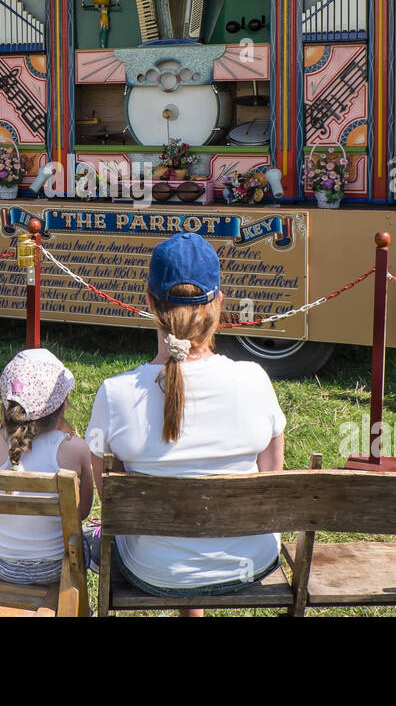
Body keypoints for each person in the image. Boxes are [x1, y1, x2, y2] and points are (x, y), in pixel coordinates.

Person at [85, 232, 286, 613]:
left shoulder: (115, 394)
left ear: (149, 302)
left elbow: (111, 500)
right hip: (249, 559)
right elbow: (269, 481)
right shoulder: (255, 380)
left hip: (155, 569)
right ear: (218, 303)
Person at [0, 348, 94, 584]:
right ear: (63, 405)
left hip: (0, 563)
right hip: (55, 567)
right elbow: (82, 513)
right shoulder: (76, 449)